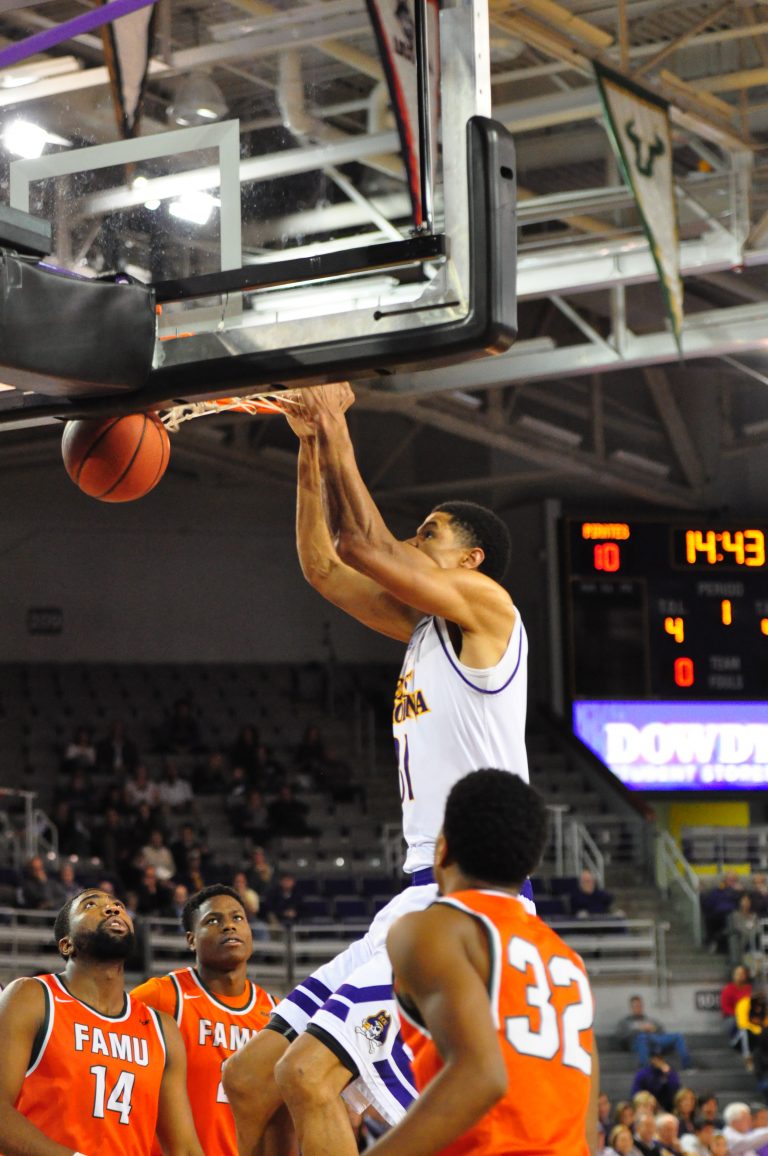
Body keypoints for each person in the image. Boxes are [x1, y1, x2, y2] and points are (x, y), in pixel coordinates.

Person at [223, 383, 530, 1156]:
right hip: (416, 891)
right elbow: (328, 568)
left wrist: (337, 421)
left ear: (471, 558)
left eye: (430, 533)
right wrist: (308, 443)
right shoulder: (424, 631)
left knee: (308, 1079)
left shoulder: (488, 609)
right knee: (253, 1077)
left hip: (468, 898)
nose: (413, 539)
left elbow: (367, 546)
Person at [355, 770, 596, 1156]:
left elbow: (481, 1075)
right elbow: (587, 1129)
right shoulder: (568, 962)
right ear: (530, 863)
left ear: (441, 849)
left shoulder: (431, 930)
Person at [0, 887, 203, 1156]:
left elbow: (185, 1149)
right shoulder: (32, 997)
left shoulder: (161, 1028)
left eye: (118, 905)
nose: (112, 908)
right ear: (66, 943)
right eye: (90, 905)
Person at [131, 885, 276, 1156]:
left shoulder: (275, 1014)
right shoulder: (161, 997)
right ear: (191, 939)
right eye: (213, 920)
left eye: (237, 918)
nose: (229, 926)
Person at [617, 996, 694, 1070]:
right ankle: (645, 1071)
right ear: (631, 1008)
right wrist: (640, 1030)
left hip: (655, 1041)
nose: (638, 1008)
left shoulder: (650, 1020)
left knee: (678, 1036)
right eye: (636, 1006)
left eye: (640, 1005)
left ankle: (688, 1067)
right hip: (639, 1043)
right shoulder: (625, 1022)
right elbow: (622, 1038)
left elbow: (662, 1032)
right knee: (642, 1037)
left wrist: (653, 1029)